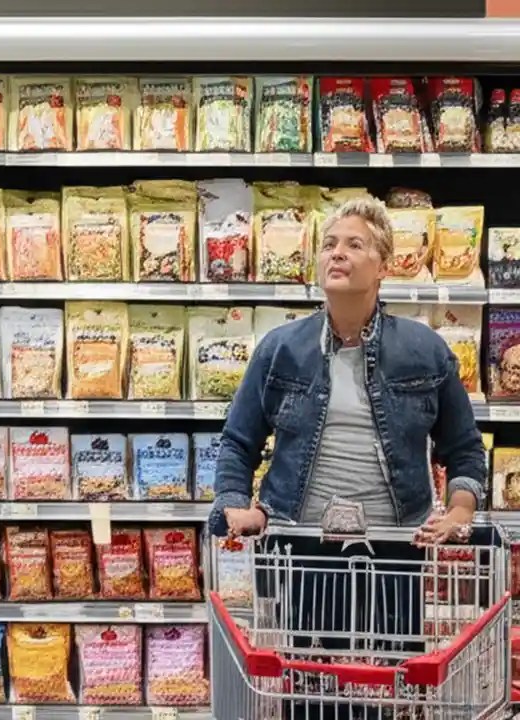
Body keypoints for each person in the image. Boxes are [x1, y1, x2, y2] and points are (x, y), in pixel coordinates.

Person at [206, 197, 486, 718]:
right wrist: (235, 504)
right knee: (310, 694)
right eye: (329, 244)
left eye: (354, 244)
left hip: (396, 551)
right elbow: (238, 442)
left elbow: (464, 448)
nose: (337, 253)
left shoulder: (425, 350)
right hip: (301, 550)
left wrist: (459, 511)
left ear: (383, 267)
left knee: (389, 691)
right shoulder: (280, 349)